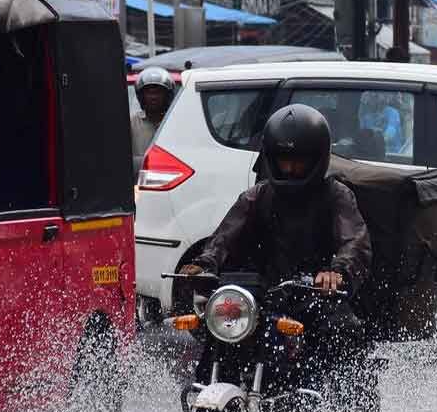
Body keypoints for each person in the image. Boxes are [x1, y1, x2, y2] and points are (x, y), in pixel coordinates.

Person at [178, 104, 373, 382]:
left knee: (342, 332)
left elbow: (354, 240)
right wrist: (204, 264)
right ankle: (205, 406)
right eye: (283, 159)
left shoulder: (336, 196)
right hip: (261, 295)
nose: (291, 168)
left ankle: (342, 410)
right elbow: (224, 238)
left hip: (314, 295)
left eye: (300, 160)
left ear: (318, 159)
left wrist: (337, 272)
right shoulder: (256, 197)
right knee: (220, 334)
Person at [130, 67, 175, 174]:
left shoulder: (175, 122)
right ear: (141, 96)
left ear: (167, 96)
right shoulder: (132, 123)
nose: (153, 97)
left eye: (158, 93)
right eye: (149, 93)